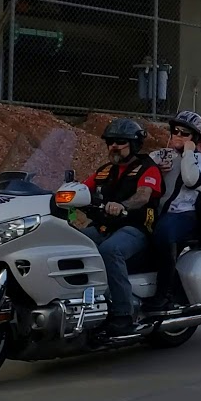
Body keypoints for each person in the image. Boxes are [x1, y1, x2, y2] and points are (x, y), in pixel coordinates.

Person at [81, 118, 165, 333]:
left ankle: (123, 314)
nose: (114, 147)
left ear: (134, 144)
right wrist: (59, 197)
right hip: (104, 227)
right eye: (110, 142)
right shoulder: (104, 171)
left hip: (136, 228)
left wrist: (121, 205)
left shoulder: (147, 168)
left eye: (120, 142)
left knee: (110, 250)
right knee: (73, 244)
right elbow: (81, 190)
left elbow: (143, 196)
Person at [146, 110, 201, 315]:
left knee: (164, 234)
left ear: (195, 138)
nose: (178, 135)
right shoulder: (160, 155)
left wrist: (188, 153)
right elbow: (142, 171)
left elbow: (192, 180)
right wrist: (156, 170)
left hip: (184, 213)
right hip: (156, 212)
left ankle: (166, 293)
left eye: (185, 133)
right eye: (175, 131)